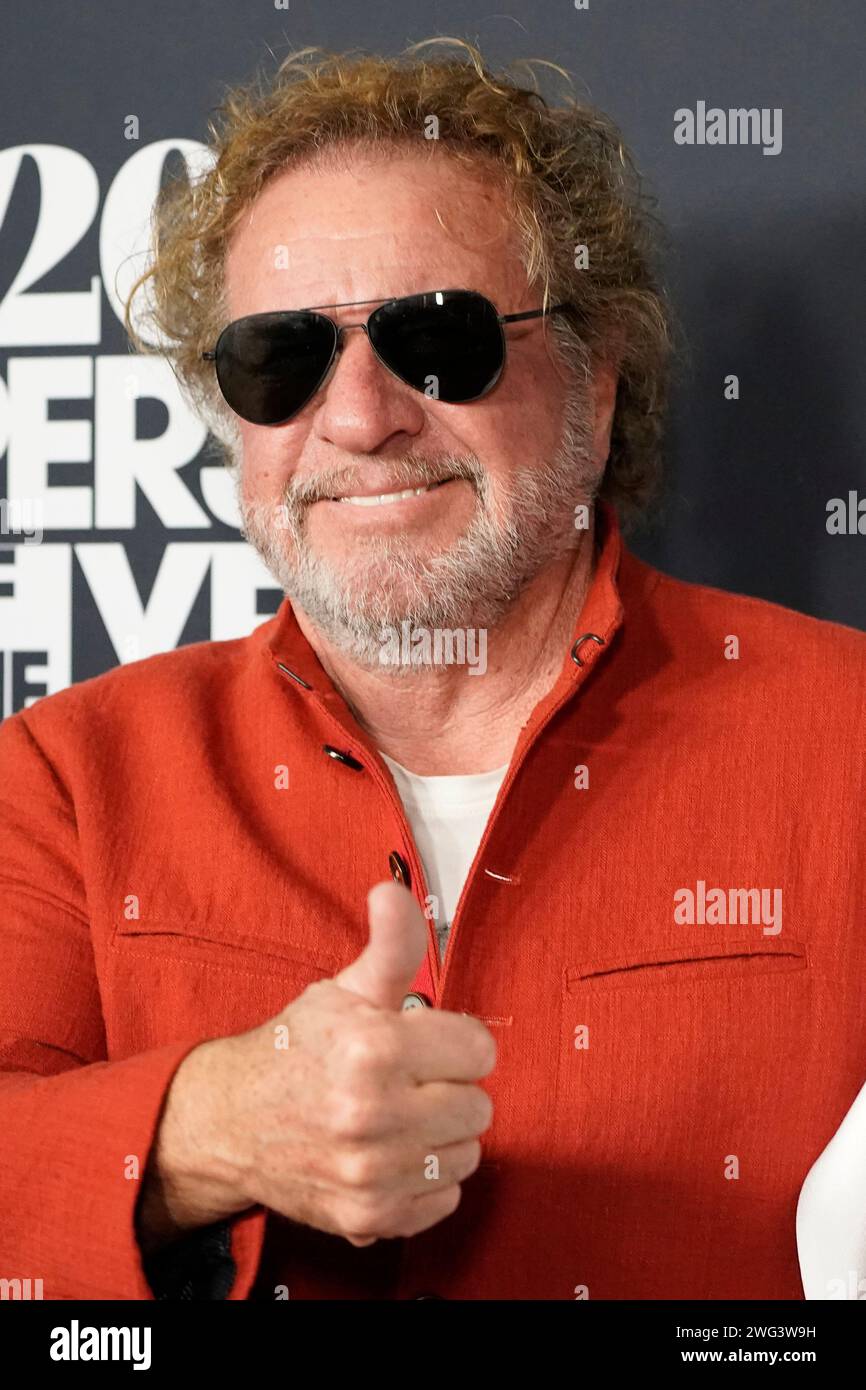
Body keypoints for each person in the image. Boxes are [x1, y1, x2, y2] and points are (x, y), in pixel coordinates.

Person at [1, 39, 864, 1302]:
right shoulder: (67, 780)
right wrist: (203, 1129)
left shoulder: (841, 737)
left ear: (597, 380)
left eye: (437, 338)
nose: (358, 419)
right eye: (278, 358)